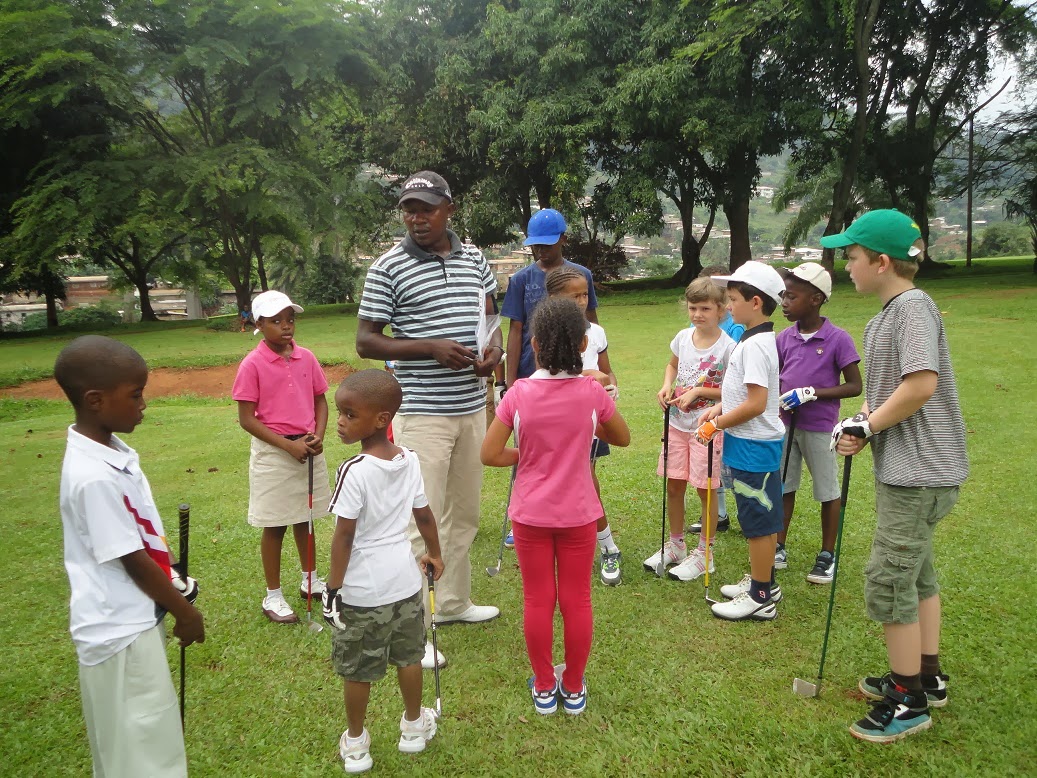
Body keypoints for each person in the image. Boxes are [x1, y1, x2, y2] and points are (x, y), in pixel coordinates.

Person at [825, 209, 968, 743]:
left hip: (920, 472)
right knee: (918, 575)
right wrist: (859, 420)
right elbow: (884, 391)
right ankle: (926, 676)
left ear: (881, 262)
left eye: (853, 259)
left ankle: (907, 700)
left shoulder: (911, 310)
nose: (849, 269)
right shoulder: (884, 315)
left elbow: (920, 385)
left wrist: (866, 425)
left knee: (890, 581)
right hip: (909, 469)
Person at [356, 171, 503, 671]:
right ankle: (416, 628)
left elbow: (491, 321)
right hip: (421, 410)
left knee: (464, 514)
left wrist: (492, 355)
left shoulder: (475, 259)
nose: (417, 218)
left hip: (471, 407)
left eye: (426, 208)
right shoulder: (388, 267)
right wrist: (429, 348)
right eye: (409, 210)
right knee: (421, 523)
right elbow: (366, 340)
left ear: (448, 209)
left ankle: (456, 604)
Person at [55, 335, 205, 777]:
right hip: (118, 630)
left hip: (133, 618)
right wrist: (185, 613)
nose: (144, 404)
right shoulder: (92, 477)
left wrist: (170, 575)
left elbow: (137, 537)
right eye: (136, 395)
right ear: (96, 400)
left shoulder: (110, 452)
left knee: (141, 738)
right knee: (142, 748)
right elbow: (132, 559)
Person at [481, 297, 630, 715]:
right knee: (577, 601)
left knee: (537, 600)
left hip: (530, 516)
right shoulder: (591, 392)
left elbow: (490, 454)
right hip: (579, 514)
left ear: (533, 344)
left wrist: (529, 456)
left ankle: (545, 687)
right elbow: (622, 438)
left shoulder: (520, 393)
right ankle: (575, 686)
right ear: (585, 344)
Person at [322, 369, 444, 773]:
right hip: (404, 581)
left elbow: (343, 538)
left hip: (361, 589)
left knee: (359, 669)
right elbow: (423, 515)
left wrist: (332, 589)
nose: (340, 421)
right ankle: (413, 726)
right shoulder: (408, 459)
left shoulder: (354, 470)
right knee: (409, 657)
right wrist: (435, 555)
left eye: (349, 414)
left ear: (381, 419)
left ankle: (356, 743)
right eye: (340, 412)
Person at [500, 208, 599, 549]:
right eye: (535, 245)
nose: (541, 251)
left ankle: (589, 522)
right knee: (527, 451)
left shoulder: (581, 275)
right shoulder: (521, 280)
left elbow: (593, 326)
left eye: (547, 244)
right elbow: (515, 330)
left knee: (580, 457)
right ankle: (522, 517)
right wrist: (510, 381)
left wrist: (606, 367)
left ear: (563, 239)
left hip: (574, 376)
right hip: (531, 380)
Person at [232, 289, 331, 624]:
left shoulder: (307, 357)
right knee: (274, 525)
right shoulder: (252, 364)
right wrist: (287, 446)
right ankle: (273, 596)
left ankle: (310, 580)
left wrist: (318, 434)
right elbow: (247, 419)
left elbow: (320, 400)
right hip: (275, 452)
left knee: (306, 519)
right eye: (276, 321)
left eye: (290, 319)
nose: (286, 326)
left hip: (308, 446)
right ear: (259, 324)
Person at [695, 261, 787, 621]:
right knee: (757, 519)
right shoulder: (754, 340)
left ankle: (761, 596)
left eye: (732, 300)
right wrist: (718, 406)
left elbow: (756, 403)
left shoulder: (755, 346)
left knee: (757, 523)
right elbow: (740, 394)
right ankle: (764, 581)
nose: (728, 306)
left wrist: (714, 423)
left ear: (756, 303)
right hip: (748, 442)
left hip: (754, 446)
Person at [774, 262, 862, 582]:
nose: (784, 301)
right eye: (784, 294)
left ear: (815, 299)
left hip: (820, 426)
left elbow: (854, 385)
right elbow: (777, 377)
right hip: (786, 424)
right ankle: (778, 546)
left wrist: (812, 393)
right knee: (784, 484)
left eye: (791, 296)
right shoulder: (784, 338)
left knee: (827, 490)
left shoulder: (837, 338)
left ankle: (827, 554)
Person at [646, 277, 735, 582]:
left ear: (721, 309)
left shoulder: (728, 347)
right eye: (693, 307)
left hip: (706, 428)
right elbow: (672, 365)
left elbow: (734, 391)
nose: (698, 314)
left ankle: (704, 553)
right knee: (674, 485)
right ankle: (676, 545)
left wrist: (699, 392)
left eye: (705, 308)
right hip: (676, 424)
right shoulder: (683, 338)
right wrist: (666, 385)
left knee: (705, 489)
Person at [545, 266, 622, 585]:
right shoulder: (546, 332)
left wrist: (611, 389)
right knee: (554, 480)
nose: (580, 301)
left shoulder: (596, 331)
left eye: (584, 295)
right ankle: (551, 541)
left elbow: (607, 371)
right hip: (553, 417)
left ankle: (608, 547)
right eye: (572, 295)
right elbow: (548, 376)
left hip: (588, 415)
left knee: (585, 478)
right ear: (553, 299)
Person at [691, 265, 747, 534]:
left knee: (726, 466)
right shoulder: (696, 326)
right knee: (713, 468)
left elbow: (734, 374)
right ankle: (720, 514)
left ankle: (737, 513)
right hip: (698, 410)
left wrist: (703, 391)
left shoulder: (733, 330)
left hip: (724, 406)